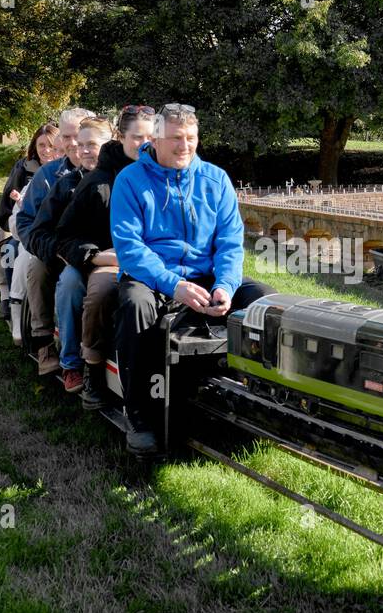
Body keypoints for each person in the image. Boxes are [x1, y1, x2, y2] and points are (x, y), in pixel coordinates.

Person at [110, 103, 273, 454]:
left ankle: (262, 402)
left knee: (264, 300)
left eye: (191, 138)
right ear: (154, 139)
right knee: (134, 304)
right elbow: (130, 248)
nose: (185, 146)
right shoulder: (129, 181)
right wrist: (174, 285)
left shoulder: (215, 179)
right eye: (176, 139)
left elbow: (230, 242)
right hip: (153, 278)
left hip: (208, 276)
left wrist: (225, 286)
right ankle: (138, 414)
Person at [54, 105, 154, 409]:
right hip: (110, 262)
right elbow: (65, 235)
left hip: (156, 261)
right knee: (99, 294)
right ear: (121, 137)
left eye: (151, 136)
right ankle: (92, 368)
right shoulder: (97, 182)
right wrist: (96, 257)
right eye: (137, 137)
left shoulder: (164, 172)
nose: (145, 143)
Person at [29, 115, 112, 390]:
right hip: (76, 259)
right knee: (70, 284)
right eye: (80, 143)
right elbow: (40, 231)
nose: (83, 149)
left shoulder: (124, 180)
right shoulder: (65, 184)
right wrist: (66, 255)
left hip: (117, 259)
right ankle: (71, 363)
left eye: (92, 144)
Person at [15, 108, 89, 372]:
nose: (72, 143)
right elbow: (26, 223)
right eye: (66, 136)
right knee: (36, 267)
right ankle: (43, 338)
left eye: (78, 135)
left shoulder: (110, 171)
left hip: (95, 253)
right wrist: (54, 250)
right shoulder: (49, 176)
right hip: (55, 253)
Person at [0, 124, 54, 322]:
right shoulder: (24, 167)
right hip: (18, 223)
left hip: (45, 230)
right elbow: (7, 207)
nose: (46, 150)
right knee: (6, 245)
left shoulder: (64, 168)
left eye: (51, 145)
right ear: (34, 147)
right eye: (41, 145)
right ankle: (6, 295)